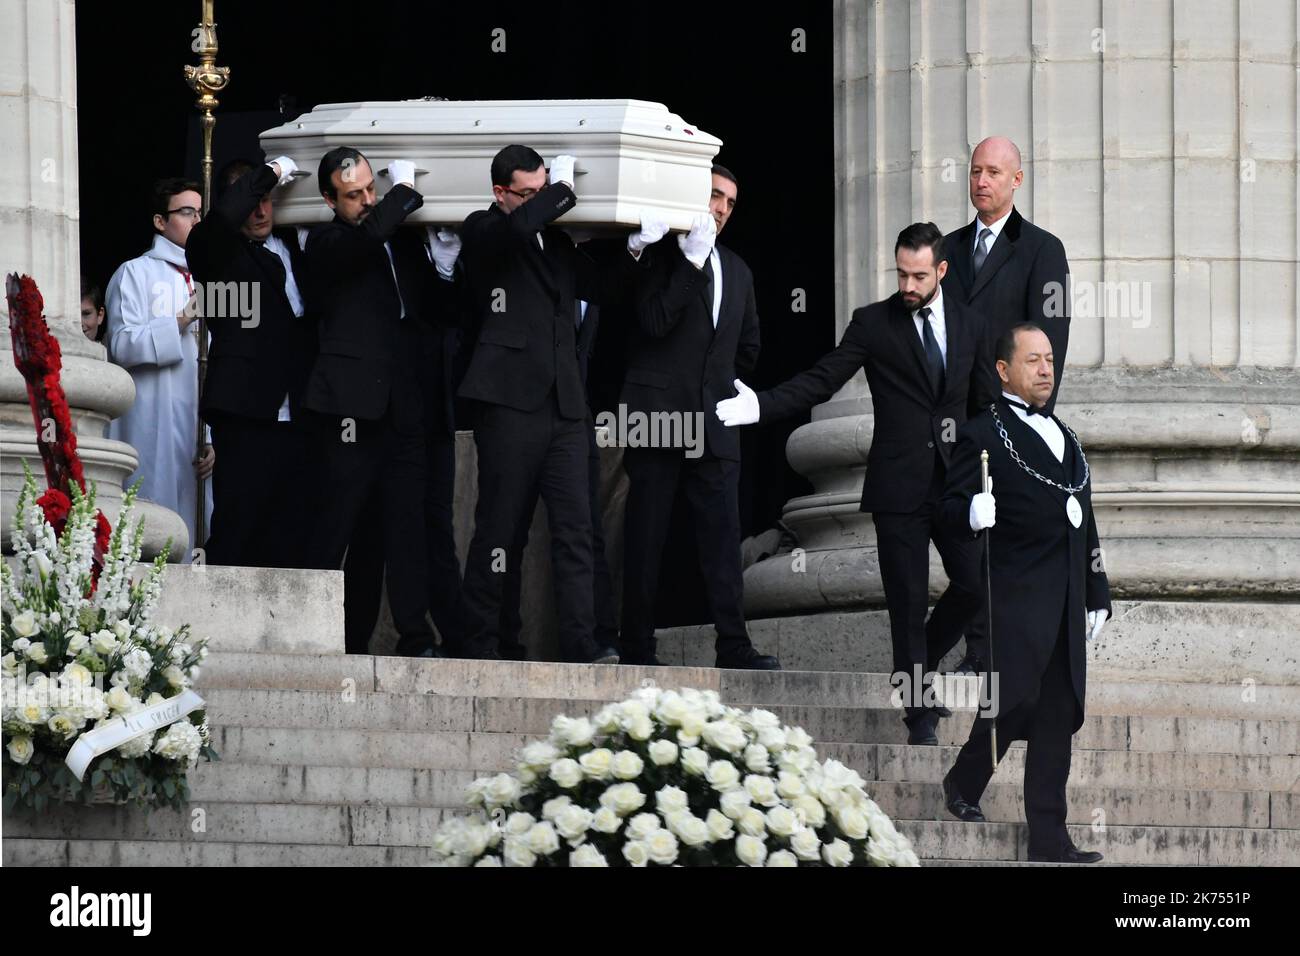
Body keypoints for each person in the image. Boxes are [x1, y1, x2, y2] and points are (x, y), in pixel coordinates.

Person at [717, 222, 997, 719]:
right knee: (908, 602)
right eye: (901, 274)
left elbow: (985, 408)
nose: (907, 286)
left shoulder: (971, 324)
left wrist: (990, 479)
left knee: (975, 584)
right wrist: (761, 405)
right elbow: (822, 380)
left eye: (918, 276)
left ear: (942, 270)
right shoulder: (872, 323)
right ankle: (917, 709)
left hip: (955, 487)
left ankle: (916, 667)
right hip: (897, 488)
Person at [456, 145, 646, 664]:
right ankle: (487, 644)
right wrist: (561, 190)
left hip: (565, 408)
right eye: (529, 193)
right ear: (501, 193)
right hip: (508, 404)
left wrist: (635, 248)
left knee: (577, 531)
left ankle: (582, 647)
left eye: (544, 191)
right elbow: (517, 230)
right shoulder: (482, 228)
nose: (542, 202)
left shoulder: (556, 242)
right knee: (501, 532)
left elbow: (604, 289)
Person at [937, 322, 1111, 864]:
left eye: (1050, 360)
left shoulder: (1068, 436)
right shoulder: (981, 434)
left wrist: (1097, 589)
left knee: (1058, 709)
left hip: (1065, 598)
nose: (1045, 369)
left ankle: (1049, 837)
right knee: (1015, 700)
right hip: (1014, 594)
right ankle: (963, 783)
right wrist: (969, 511)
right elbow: (943, 510)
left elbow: (1084, 520)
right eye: (1033, 360)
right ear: (1003, 370)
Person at [622, 165, 778, 671]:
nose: (721, 209)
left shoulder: (738, 269)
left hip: (714, 424)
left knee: (722, 542)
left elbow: (748, 347)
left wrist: (719, 385)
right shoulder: (657, 254)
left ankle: (733, 646)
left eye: (731, 203)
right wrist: (688, 265)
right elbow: (652, 321)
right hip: (657, 419)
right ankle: (636, 649)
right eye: (715, 196)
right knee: (646, 540)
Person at [299, 146, 438, 657]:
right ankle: (311, 635)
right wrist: (399, 199)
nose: (365, 201)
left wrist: (442, 262)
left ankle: (414, 637)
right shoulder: (327, 240)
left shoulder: (398, 241)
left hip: (401, 407)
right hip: (348, 410)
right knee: (338, 523)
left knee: (402, 527)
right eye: (353, 195)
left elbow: (431, 312)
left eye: (370, 192)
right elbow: (362, 243)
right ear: (329, 200)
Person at [941, 135, 1072, 675]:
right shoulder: (946, 250)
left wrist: (1030, 414)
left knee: (1005, 537)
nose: (981, 181)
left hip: (1007, 423)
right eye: (975, 171)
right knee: (968, 535)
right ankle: (976, 646)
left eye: (994, 172)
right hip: (956, 420)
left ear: (1017, 180)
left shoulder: (1042, 248)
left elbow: (1050, 342)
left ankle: (997, 650)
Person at [184, 155, 317, 569]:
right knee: (239, 523)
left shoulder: (296, 246)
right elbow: (217, 226)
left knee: (292, 528)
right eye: (252, 200)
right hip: (245, 409)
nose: (261, 211)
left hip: (299, 411)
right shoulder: (217, 251)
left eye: (269, 200)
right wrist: (272, 171)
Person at [105, 177, 213, 561]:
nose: (196, 220)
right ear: (159, 221)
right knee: (150, 521)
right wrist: (181, 320)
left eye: (200, 212)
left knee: (196, 525)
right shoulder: (133, 273)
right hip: (150, 416)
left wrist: (212, 433)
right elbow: (120, 345)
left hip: (194, 420)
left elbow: (216, 360)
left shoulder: (209, 274)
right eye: (186, 212)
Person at [80, 277, 106, 343]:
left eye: (86, 314)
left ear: (100, 315)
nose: (79, 322)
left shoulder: (107, 353)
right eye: (74, 315)